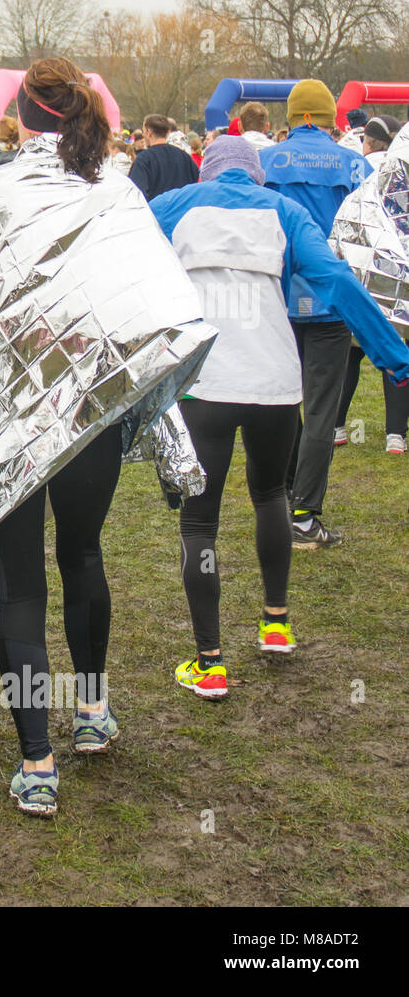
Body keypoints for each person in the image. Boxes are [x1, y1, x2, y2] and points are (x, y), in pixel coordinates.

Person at [0, 58, 211, 816]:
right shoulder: (117, 189)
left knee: (21, 587)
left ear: (21, 118)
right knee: (82, 553)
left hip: (8, 418)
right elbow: (151, 301)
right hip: (90, 418)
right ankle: (93, 711)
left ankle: (36, 759)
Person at [149, 135, 409, 700]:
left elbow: (127, 268)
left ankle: (210, 662)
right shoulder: (284, 210)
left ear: (207, 172)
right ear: (256, 175)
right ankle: (274, 623)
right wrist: (394, 357)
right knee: (271, 495)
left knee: (200, 523)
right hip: (274, 380)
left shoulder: (173, 206)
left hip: (204, 384)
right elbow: (336, 280)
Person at [259, 79, 374, 548]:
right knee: (322, 409)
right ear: (329, 118)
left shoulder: (264, 161)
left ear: (292, 116)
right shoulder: (355, 164)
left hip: (277, 297)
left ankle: (285, 491)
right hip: (331, 299)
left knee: (283, 400)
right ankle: (305, 515)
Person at [333, 115, 409, 455]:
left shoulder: (362, 176)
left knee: (350, 355)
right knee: (397, 353)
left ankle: (336, 425)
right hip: (398, 283)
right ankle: (396, 434)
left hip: (358, 281)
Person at [128, 113, 200, 200]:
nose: (143, 135)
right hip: (183, 210)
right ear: (167, 133)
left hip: (155, 211)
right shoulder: (185, 157)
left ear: (149, 132)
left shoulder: (144, 160)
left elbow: (137, 194)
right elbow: (195, 185)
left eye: (143, 131)